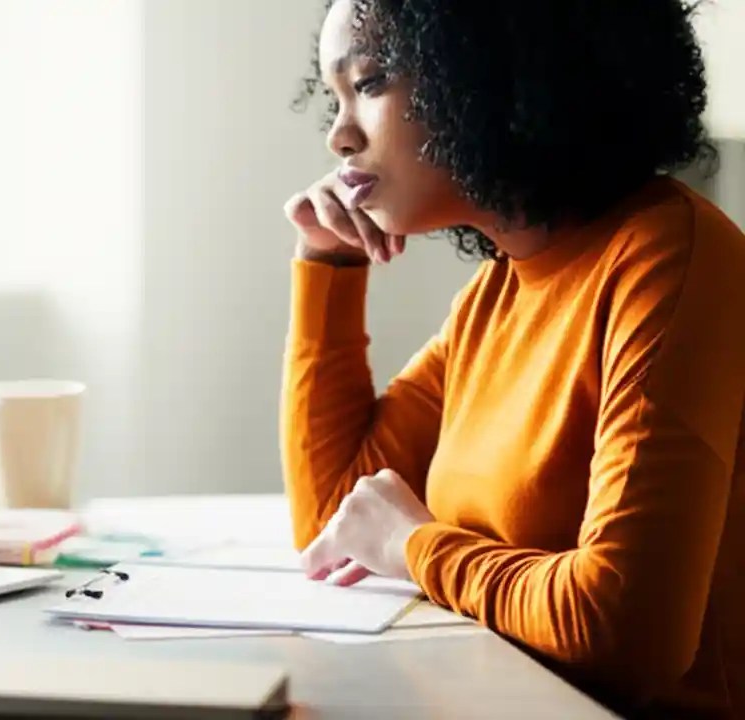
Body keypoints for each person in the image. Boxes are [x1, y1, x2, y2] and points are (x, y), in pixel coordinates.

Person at [280, 0, 745, 717]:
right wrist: (329, 265)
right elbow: (336, 529)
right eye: (334, 99)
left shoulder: (671, 259)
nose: (340, 137)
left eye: (369, 84)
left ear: (484, 73)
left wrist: (416, 548)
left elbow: (627, 633)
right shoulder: (497, 293)